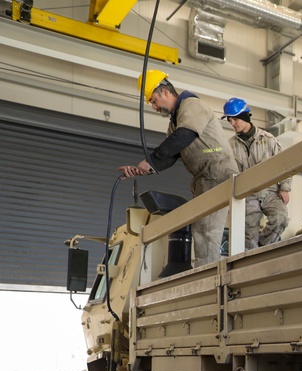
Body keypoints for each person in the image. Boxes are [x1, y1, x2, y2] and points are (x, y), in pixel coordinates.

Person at [119, 70, 239, 267]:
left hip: (216, 172)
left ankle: (208, 278)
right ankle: (206, 272)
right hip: (204, 177)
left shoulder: (191, 105)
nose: (154, 107)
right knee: (201, 229)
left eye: (154, 100)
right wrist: (142, 168)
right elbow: (171, 155)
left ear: (165, 92)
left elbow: (184, 136)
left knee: (206, 229)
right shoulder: (175, 124)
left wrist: (151, 160)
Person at [221, 98, 290, 249]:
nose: (232, 124)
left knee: (281, 218)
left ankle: (262, 244)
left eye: (235, 119)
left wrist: (284, 188)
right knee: (248, 235)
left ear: (245, 116)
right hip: (247, 195)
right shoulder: (230, 146)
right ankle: (252, 257)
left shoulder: (268, 140)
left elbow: (283, 164)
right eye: (229, 120)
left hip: (270, 191)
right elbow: (227, 172)